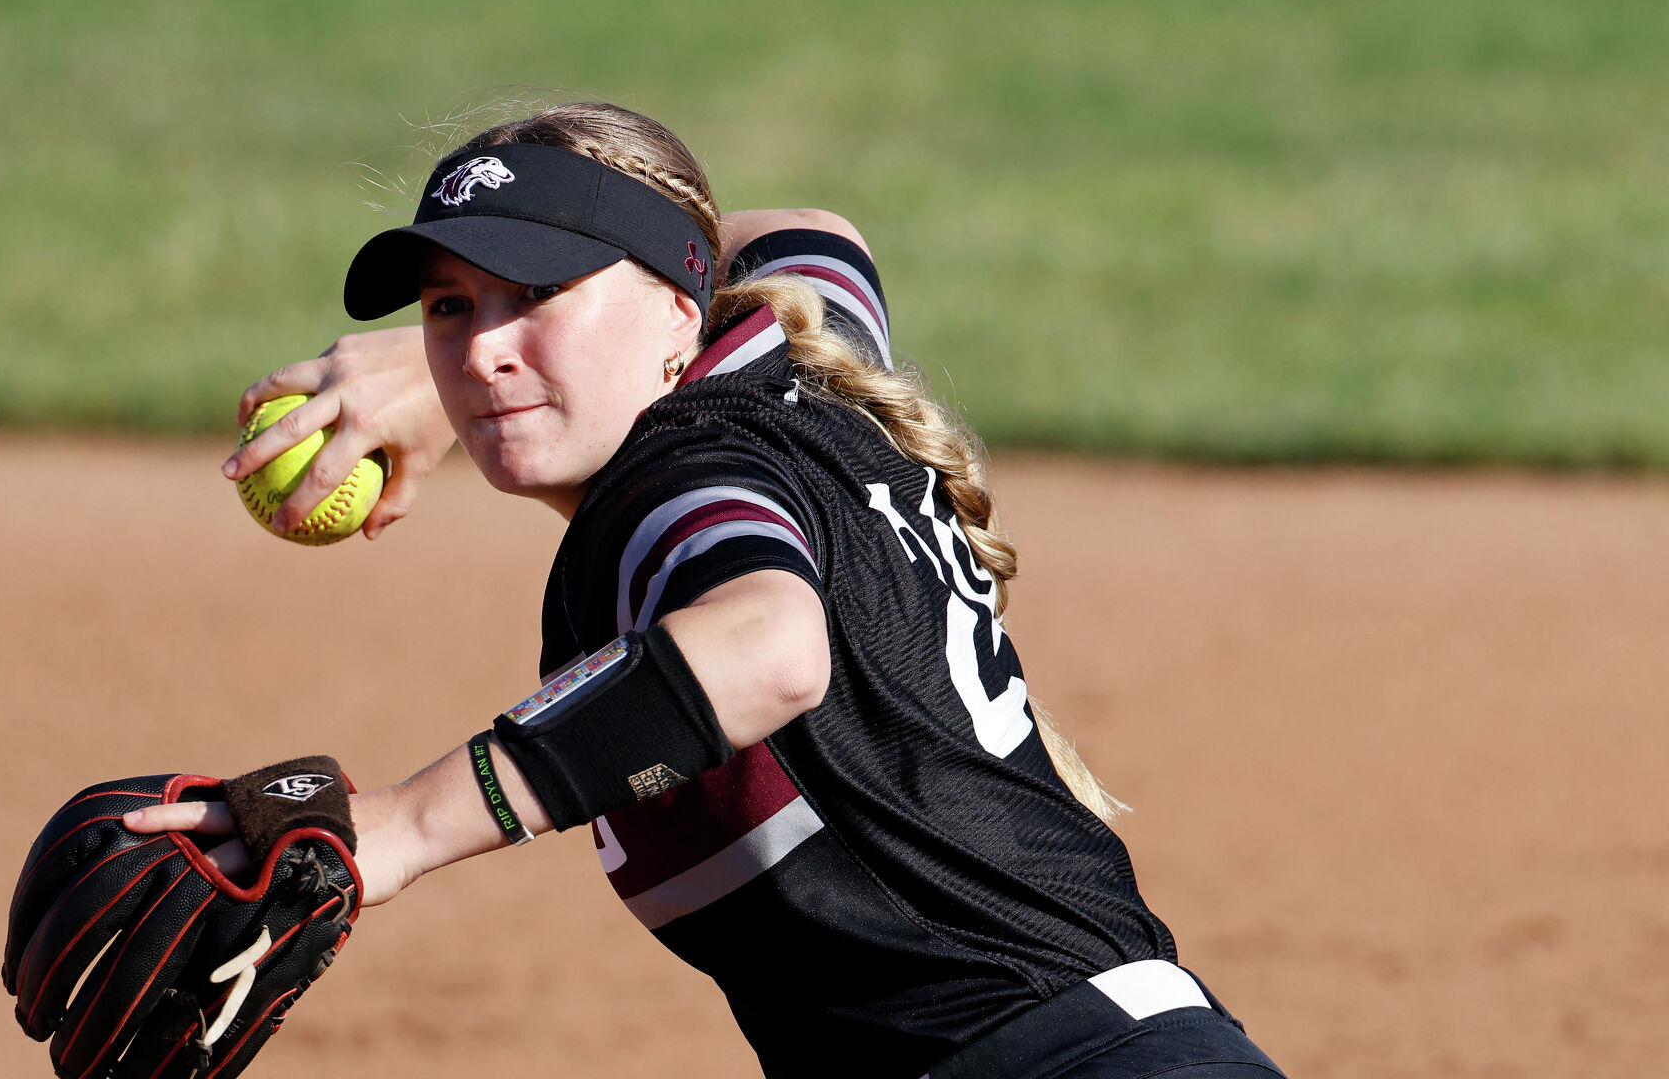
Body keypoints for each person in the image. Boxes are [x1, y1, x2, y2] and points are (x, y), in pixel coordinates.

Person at [129, 102, 1286, 1078]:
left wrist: (402, 825)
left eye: (537, 292)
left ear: (681, 310)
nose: (480, 350)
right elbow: (809, 232)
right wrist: (467, 374)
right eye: (448, 307)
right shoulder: (805, 372)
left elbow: (766, 647)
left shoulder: (674, 487)